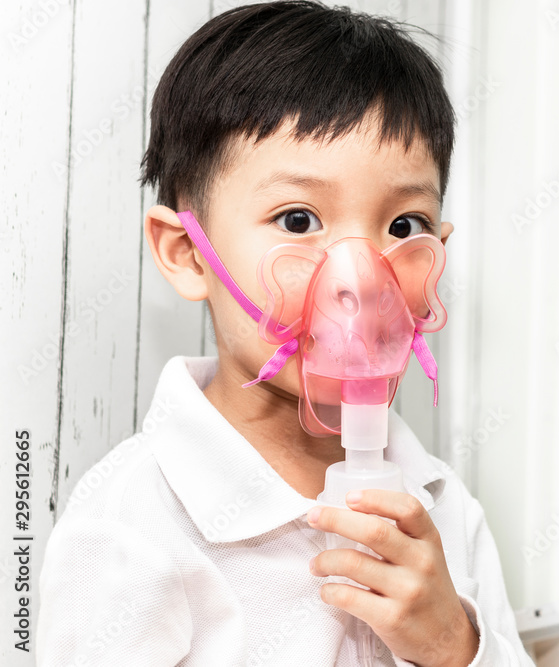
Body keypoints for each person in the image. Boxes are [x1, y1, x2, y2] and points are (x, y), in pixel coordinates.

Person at [37, 2, 533, 665]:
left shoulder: (441, 503)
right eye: (299, 220)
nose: (360, 278)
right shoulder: (133, 526)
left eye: (404, 226)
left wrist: (452, 643)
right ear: (187, 252)